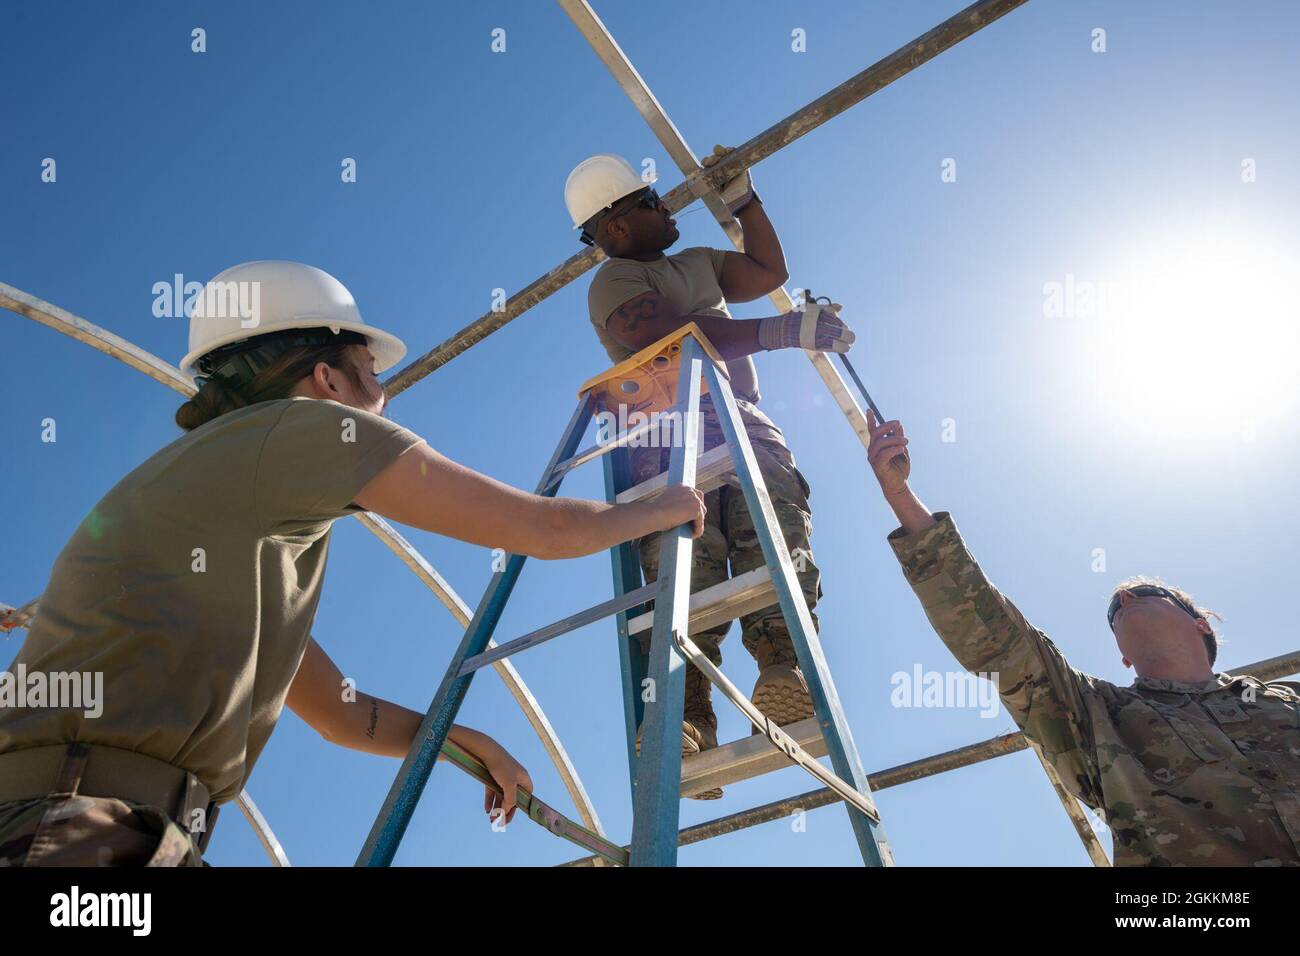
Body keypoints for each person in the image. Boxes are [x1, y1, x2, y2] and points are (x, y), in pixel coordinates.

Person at [0, 260, 704, 866]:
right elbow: (541, 528)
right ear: (326, 379)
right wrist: (658, 508)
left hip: (96, 823)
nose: (382, 390)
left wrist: (460, 739)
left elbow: (340, 716)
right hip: (75, 826)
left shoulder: (225, 520)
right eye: (370, 369)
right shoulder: (306, 429)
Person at [866, 411, 1300, 866]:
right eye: (1116, 611)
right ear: (1123, 657)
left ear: (1202, 625)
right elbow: (1000, 642)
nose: (1126, 596)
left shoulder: (1286, 699)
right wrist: (901, 497)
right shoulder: (1101, 717)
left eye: (1148, 594)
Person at [564, 149, 857, 797]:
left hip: (739, 421)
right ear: (613, 229)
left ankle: (783, 671)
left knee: (774, 535)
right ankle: (686, 716)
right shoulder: (613, 281)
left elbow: (767, 270)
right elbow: (676, 340)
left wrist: (744, 201)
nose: (666, 206)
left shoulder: (695, 262)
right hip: (667, 438)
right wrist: (784, 331)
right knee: (686, 575)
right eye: (648, 202)